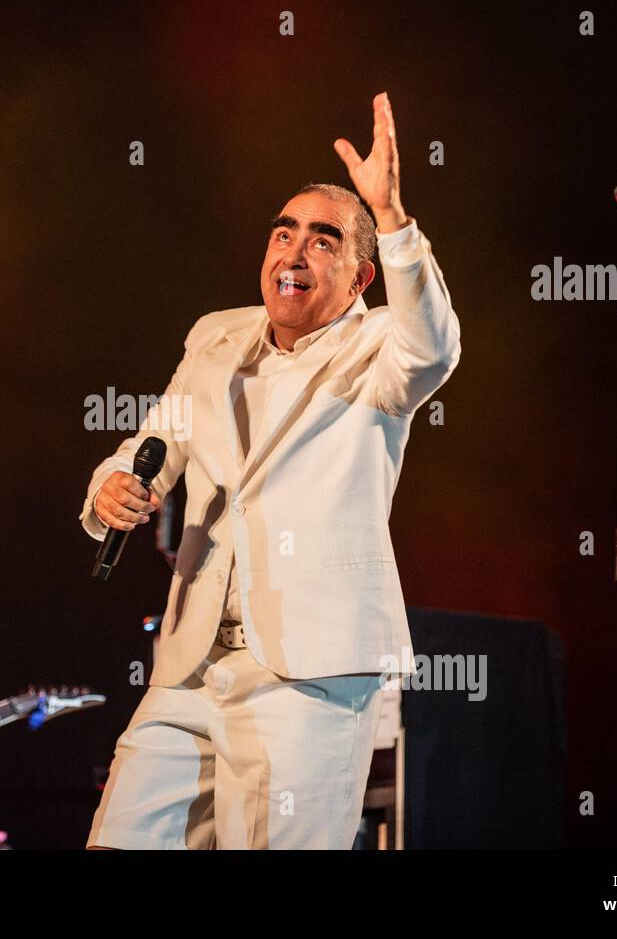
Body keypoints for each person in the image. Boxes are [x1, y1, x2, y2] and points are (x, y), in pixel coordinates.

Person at [79, 92, 461, 849]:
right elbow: (153, 444)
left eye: (323, 241)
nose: (294, 251)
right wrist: (113, 486)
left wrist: (393, 221)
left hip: (305, 670)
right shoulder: (215, 338)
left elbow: (434, 347)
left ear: (359, 277)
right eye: (284, 233)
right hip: (189, 662)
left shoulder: (381, 346)